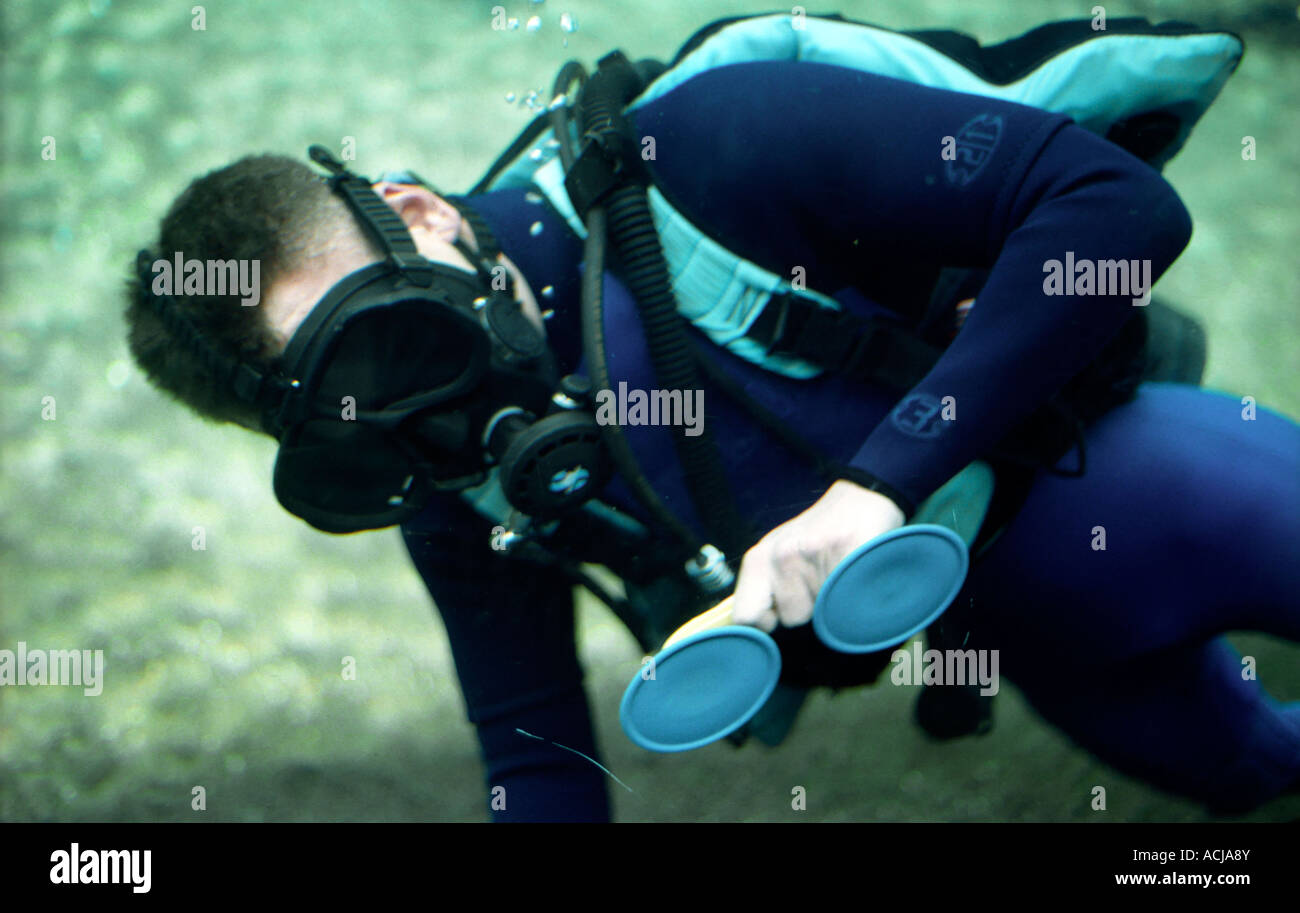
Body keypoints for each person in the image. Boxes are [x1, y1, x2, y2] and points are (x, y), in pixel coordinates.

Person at [125, 17, 1300, 822]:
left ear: (419, 213)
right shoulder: (458, 488)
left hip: (1129, 493)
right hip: (1051, 639)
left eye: (398, 342)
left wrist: (875, 486)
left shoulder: (704, 151)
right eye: (363, 431)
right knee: (1251, 775)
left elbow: (1112, 208)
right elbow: (535, 753)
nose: (441, 418)